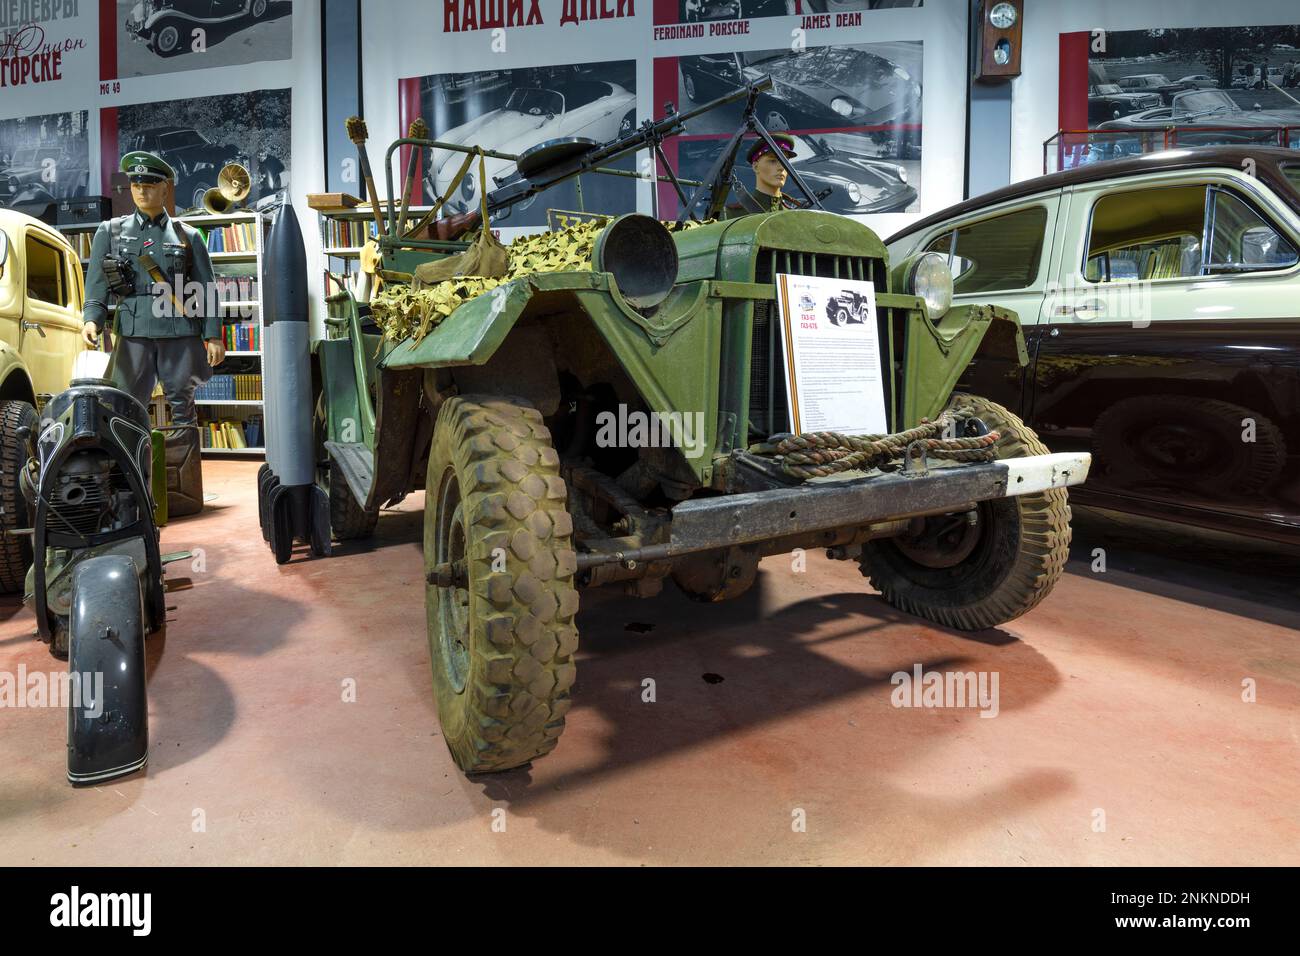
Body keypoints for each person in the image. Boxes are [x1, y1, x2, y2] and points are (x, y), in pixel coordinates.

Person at [81, 150, 225, 433]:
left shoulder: (188, 235)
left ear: (164, 187)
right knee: (124, 406)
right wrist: (92, 319)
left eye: (148, 185)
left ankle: (186, 474)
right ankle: (131, 473)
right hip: (134, 331)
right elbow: (97, 281)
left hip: (179, 330)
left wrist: (212, 335)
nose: (141, 191)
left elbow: (206, 288)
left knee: (183, 408)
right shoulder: (111, 232)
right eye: (136, 185)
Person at [722, 132, 804, 219]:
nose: (782, 167)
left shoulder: (797, 216)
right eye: (772, 161)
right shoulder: (730, 215)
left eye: (785, 161)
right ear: (756, 166)